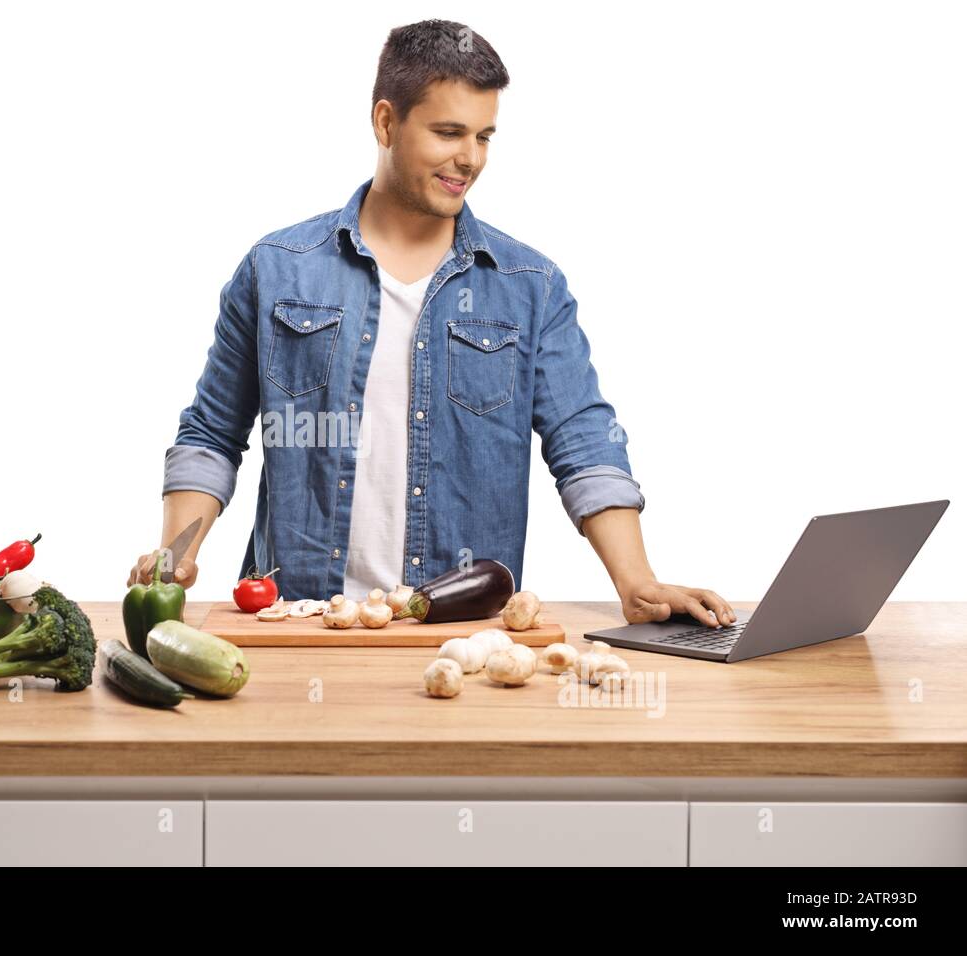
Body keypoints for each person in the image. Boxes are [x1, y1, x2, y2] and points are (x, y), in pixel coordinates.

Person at [129, 19, 736, 629]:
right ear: (386, 122)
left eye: (484, 136)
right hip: (301, 624)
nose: (469, 158)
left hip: (459, 636)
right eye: (448, 132)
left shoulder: (529, 285)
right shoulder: (277, 270)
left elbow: (584, 442)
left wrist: (637, 582)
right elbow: (211, 433)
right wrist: (174, 555)